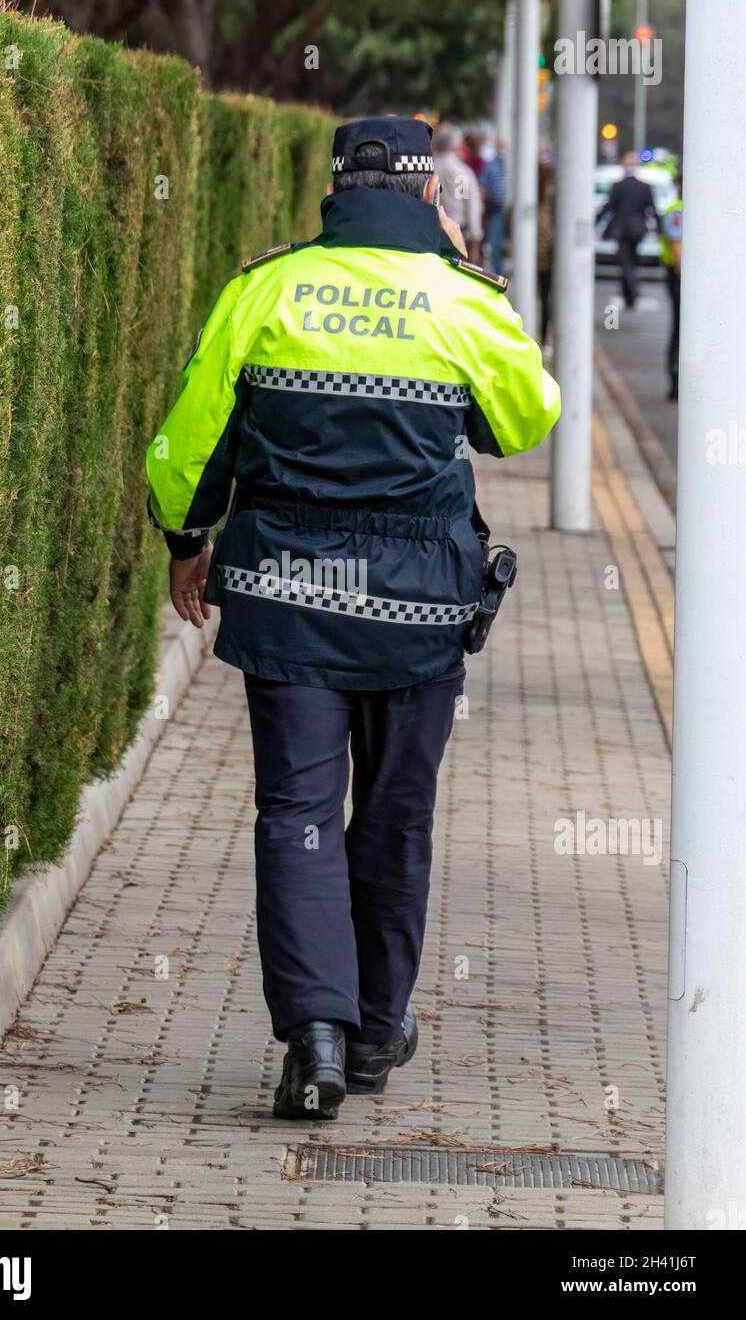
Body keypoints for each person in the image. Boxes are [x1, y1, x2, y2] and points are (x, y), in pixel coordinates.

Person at [145, 117, 560, 1121]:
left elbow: (186, 447)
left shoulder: (265, 290)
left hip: (285, 602)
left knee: (295, 812)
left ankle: (316, 1037)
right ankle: (376, 1030)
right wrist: (463, 282)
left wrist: (187, 545)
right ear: (428, 196)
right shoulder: (460, 302)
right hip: (418, 610)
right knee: (393, 813)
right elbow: (524, 420)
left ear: (332, 190)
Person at [597, 152, 658, 309]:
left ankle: (631, 290)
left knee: (625, 261)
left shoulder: (618, 185)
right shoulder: (645, 186)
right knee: (632, 259)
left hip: (622, 228)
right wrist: (660, 229)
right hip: (638, 229)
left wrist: (597, 221)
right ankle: (630, 291)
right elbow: (651, 209)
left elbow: (609, 206)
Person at [432, 123, 484, 265]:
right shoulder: (461, 172)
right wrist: (475, 243)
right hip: (458, 235)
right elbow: (470, 207)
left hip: (430, 233)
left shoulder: (428, 169)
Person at [659, 175, 683, 401]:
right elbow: (676, 248)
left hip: (682, 278)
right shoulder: (677, 211)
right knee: (680, 329)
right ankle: (675, 382)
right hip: (679, 278)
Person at [479, 138, 507, 275]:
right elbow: (482, 186)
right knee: (496, 244)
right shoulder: (491, 165)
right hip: (496, 210)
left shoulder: (514, 164)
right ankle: (498, 273)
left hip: (507, 211)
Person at [537, 159, 555, 353]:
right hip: (547, 259)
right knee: (545, 297)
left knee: (542, 297)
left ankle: (542, 338)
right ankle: (544, 339)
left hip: (538, 256)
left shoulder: (528, 195)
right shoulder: (551, 199)